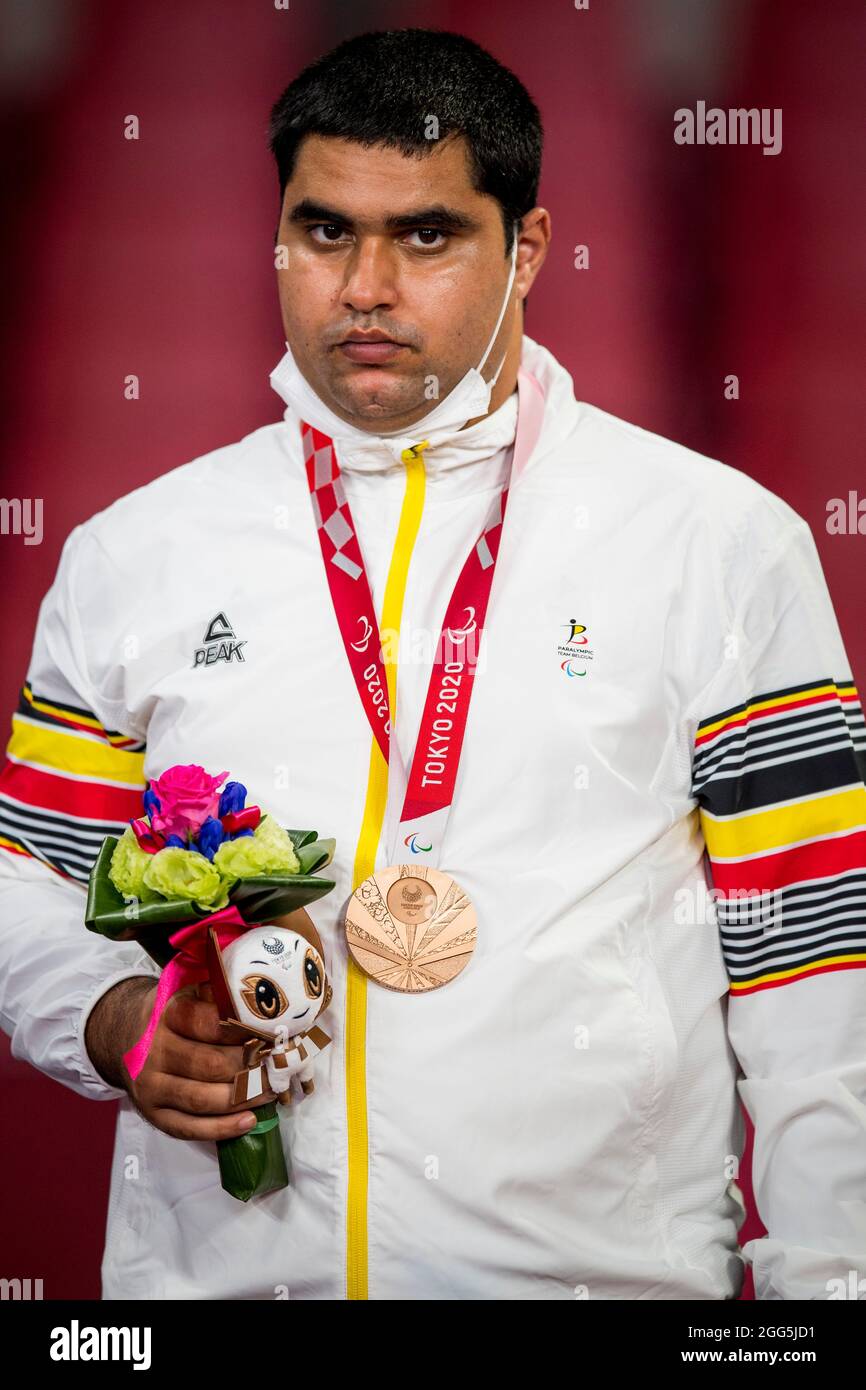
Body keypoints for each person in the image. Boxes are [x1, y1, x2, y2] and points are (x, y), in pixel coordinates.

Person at [0, 27, 864, 1302]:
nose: (362, 285)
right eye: (324, 229)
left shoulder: (718, 544)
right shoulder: (137, 553)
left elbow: (814, 974)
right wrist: (109, 1019)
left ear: (525, 250)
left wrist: (823, 1298)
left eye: (424, 236)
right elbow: (29, 877)